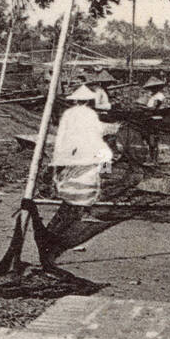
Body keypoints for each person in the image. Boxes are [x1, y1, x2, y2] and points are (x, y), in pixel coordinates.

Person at [20, 85, 113, 271]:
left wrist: (58, 159)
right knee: (91, 179)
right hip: (87, 155)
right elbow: (97, 134)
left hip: (73, 155)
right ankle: (74, 221)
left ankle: (67, 219)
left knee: (71, 192)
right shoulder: (90, 115)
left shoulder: (69, 115)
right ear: (88, 101)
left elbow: (63, 137)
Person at [141, 76, 167, 163]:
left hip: (156, 119)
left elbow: (154, 108)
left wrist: (144, 108)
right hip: (150, 118)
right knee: (149, 139)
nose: (152, 89)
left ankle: (154, 160)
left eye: (153, 87)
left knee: (153, 140)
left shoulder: (159, 96)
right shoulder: (152, 96)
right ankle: (152, 159)